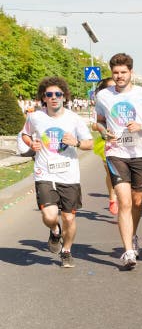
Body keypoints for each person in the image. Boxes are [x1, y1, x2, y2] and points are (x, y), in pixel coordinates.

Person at [95, 53, 142, 269]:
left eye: (123, 72)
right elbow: (98, 122)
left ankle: (133, 235)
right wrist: (104, 132)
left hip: (140, 153)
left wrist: (141, 126)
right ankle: (128, 251)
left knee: (136, 201)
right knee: (124, 202)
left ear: (131, 72)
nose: (119, 76)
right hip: (116, 153)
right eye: (115, 73)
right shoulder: (104, 96)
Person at [20, 76, 93, 268]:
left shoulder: (74, 119)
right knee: (50, 216)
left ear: (64, 96)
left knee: (69, 217)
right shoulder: (35, 117)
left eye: (58, 94)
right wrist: (31, 144)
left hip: (69, 175)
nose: (54, 97)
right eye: (49, 94)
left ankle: (66, 251)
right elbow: (25, 135)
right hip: (45, 173)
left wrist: (76, 142)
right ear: (43, 97)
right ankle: (54, 230)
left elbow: (90, 144)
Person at [91, 77, 118, 216]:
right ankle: (113, 197)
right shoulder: (100, 104)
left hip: (125, 142)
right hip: (106, 142)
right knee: (111, 173)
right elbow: (94, 125)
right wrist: (103, 130)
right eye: (110, 88)